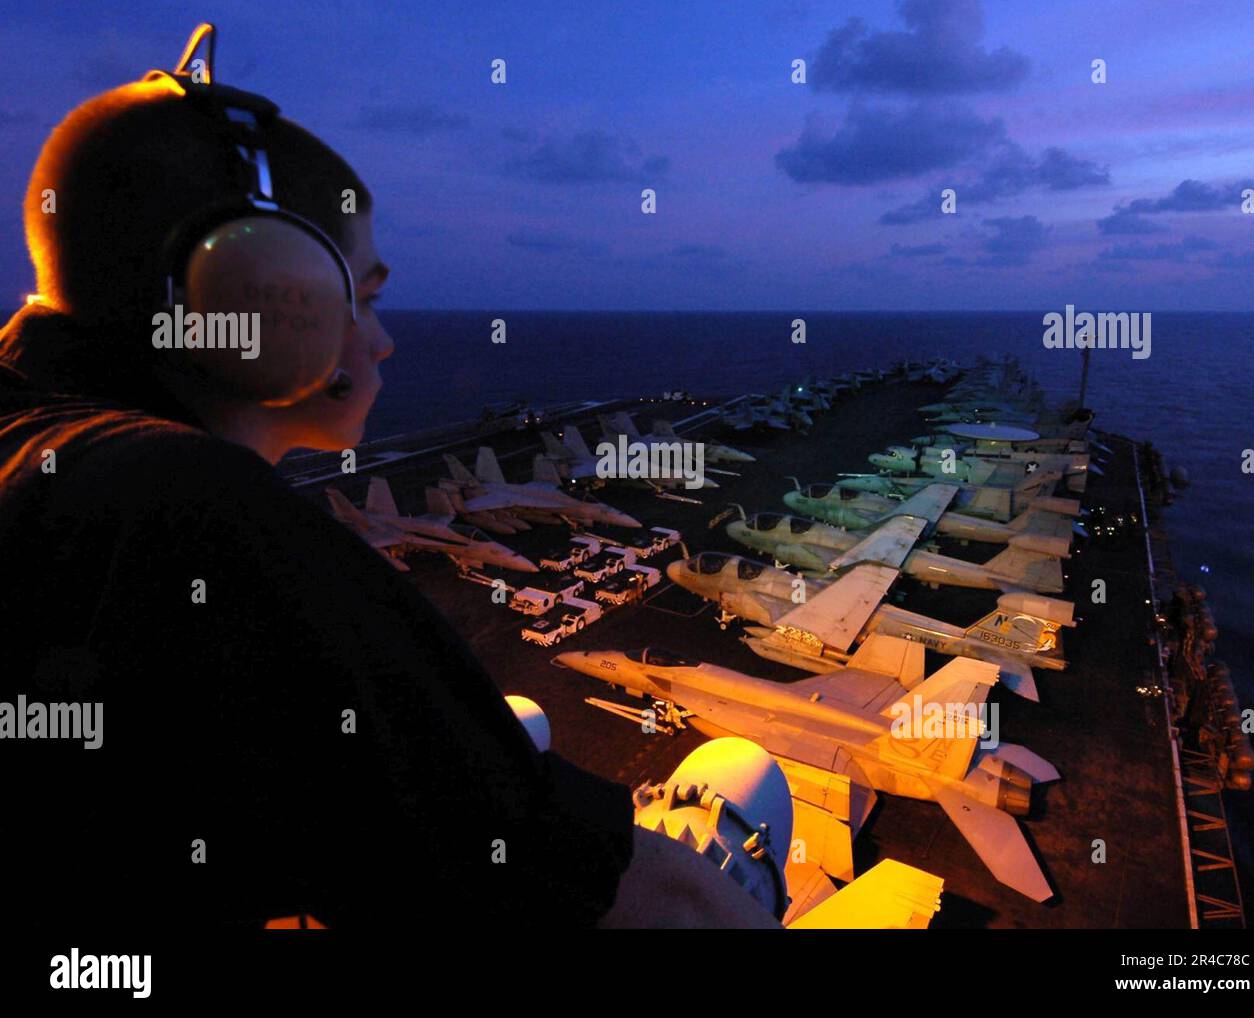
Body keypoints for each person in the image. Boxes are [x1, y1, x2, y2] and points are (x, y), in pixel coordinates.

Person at [0, 72, 777, 929]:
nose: (386, 336)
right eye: (362, 298)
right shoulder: (195, 511)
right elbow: (641, 900)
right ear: (257, 306)